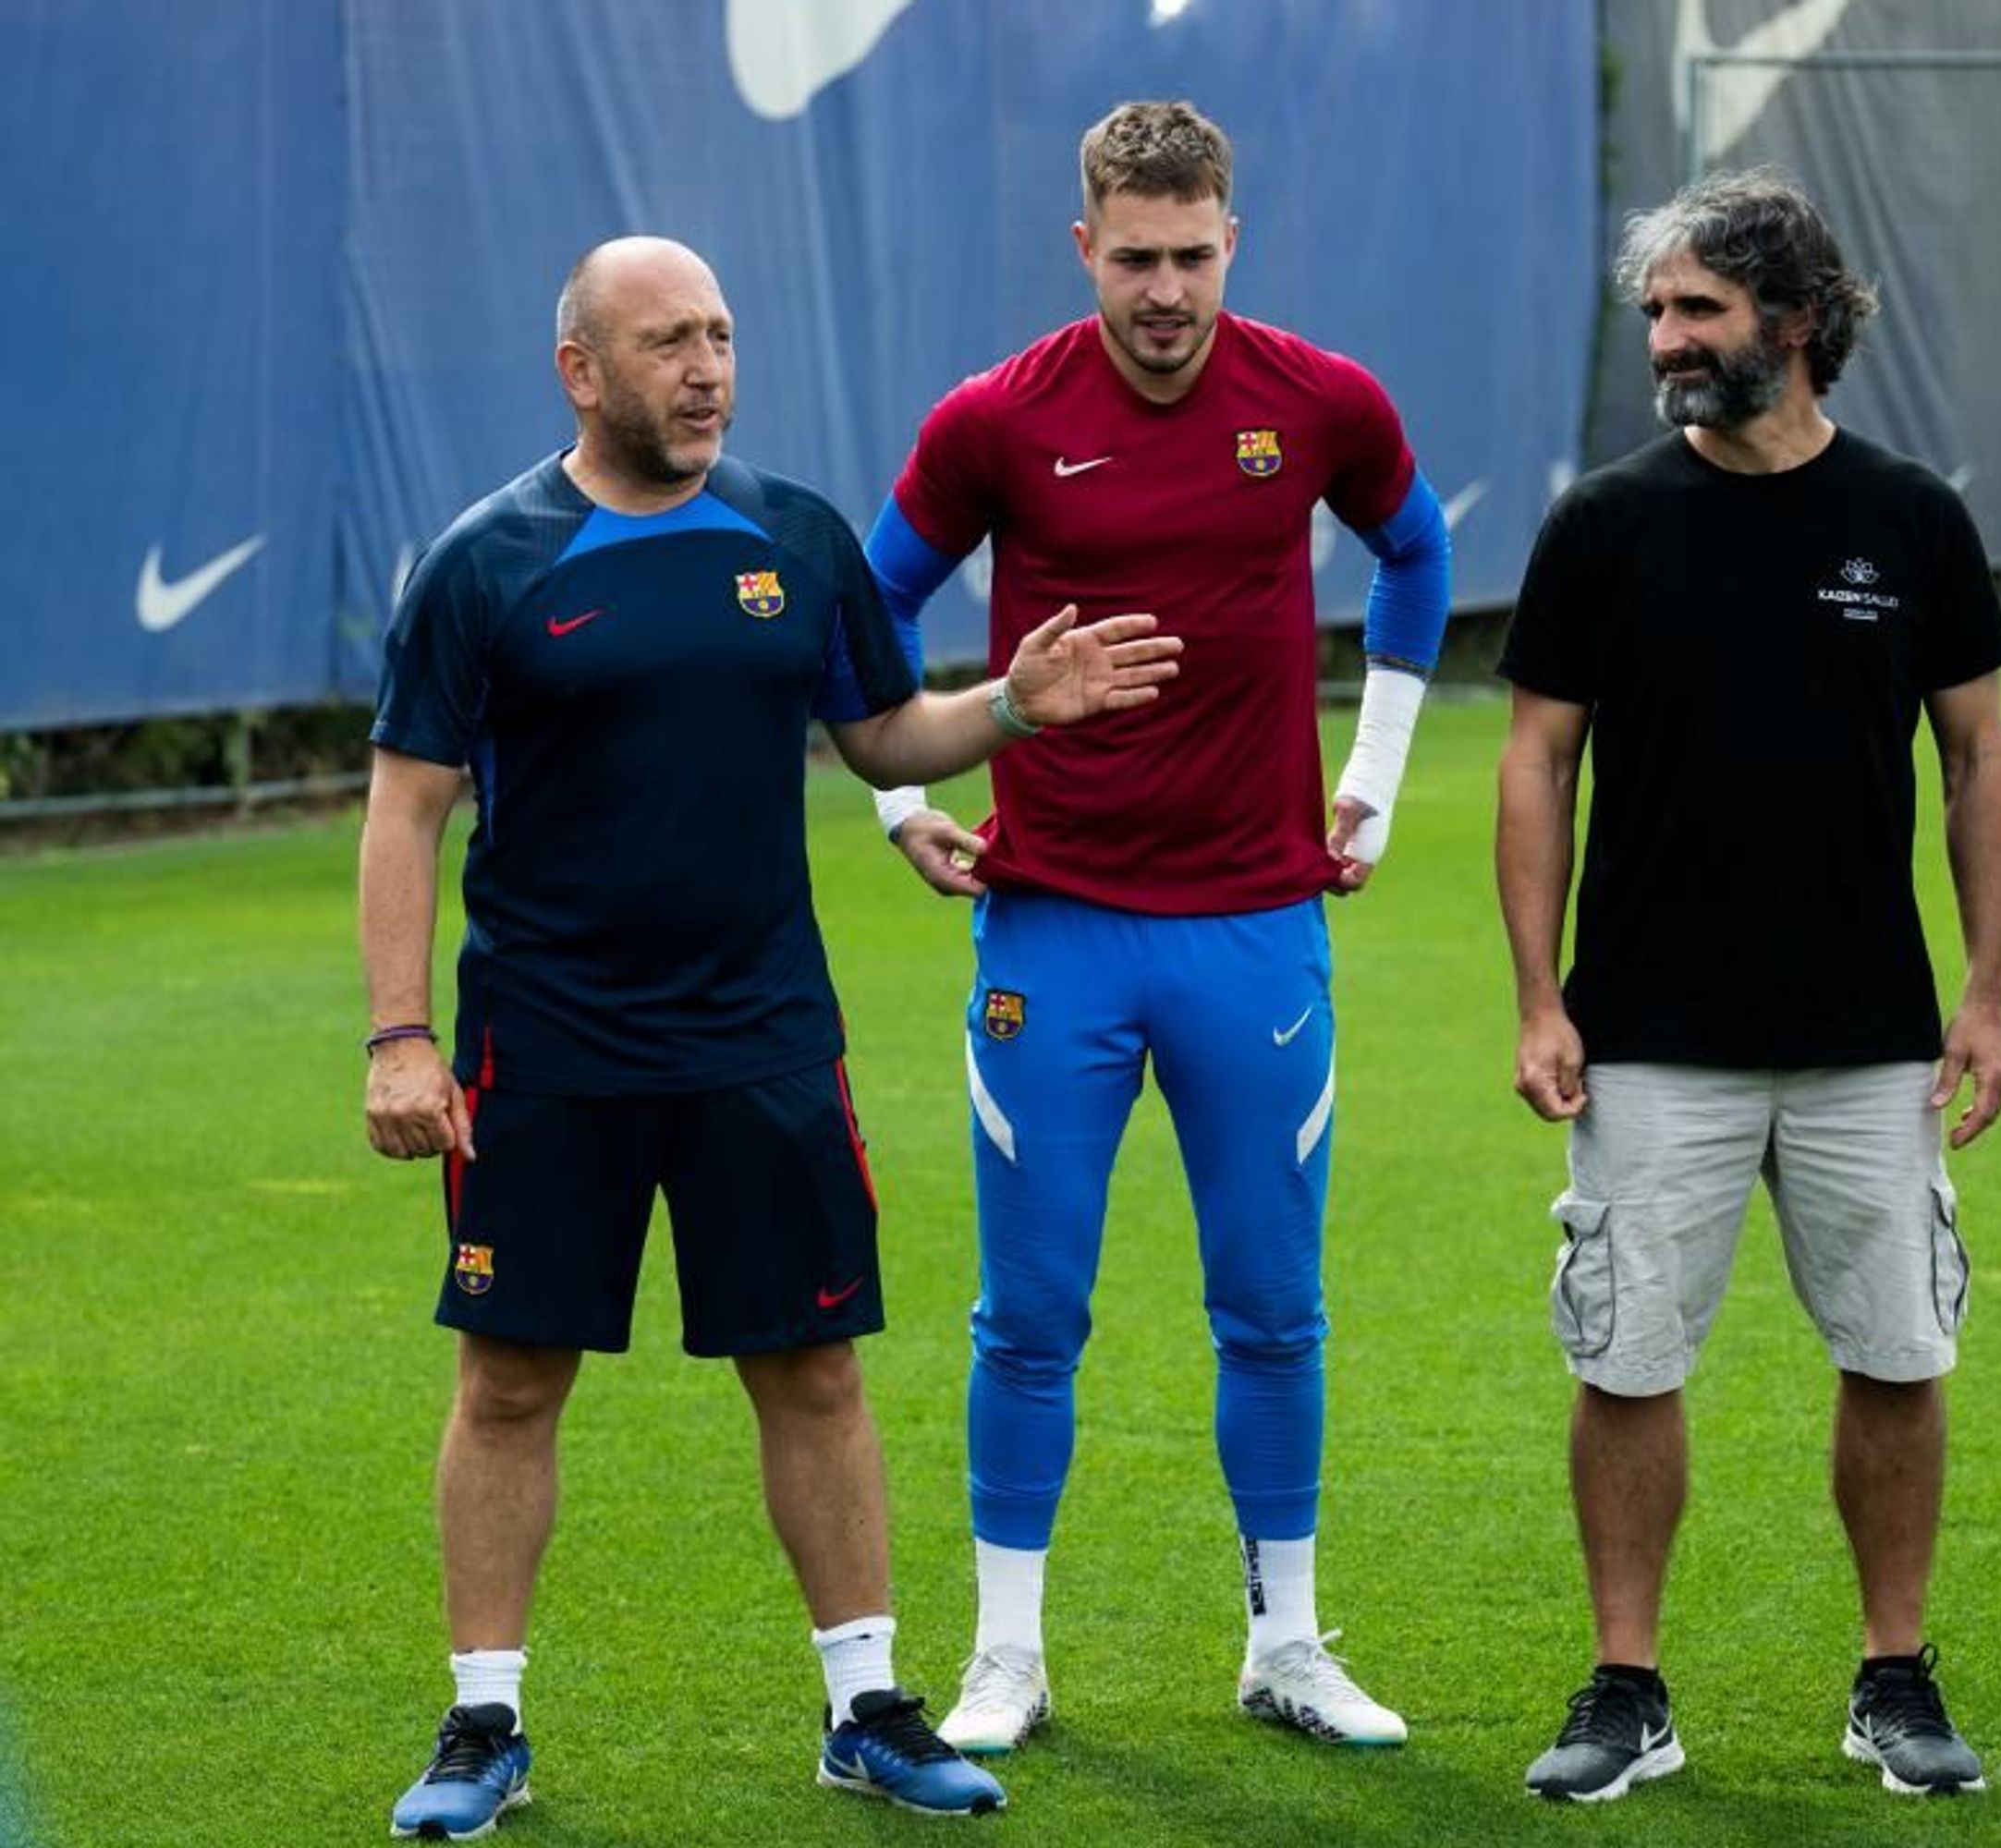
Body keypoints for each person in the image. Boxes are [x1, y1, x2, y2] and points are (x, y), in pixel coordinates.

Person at [359, 235, 1178, 1837]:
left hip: (764, 1039)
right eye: (668, 342)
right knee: (510, 1380)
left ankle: (866, 1708)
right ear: (580, 371)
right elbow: (407, 809)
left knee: (811, 1368)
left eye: (721, 337)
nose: (708, 370)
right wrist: (402, 1035)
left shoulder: (795, 538)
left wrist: (1014, 707)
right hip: (548, 1046)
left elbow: (881, 733)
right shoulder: (485, 562)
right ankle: (482, 1727)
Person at [859, 99, 1451, 1755]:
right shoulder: (997, 419)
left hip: (1255, 929)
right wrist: (901, 799)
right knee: (1028, 1315)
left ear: (1232, 241)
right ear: (1085, 248)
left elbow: (1416, 552)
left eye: (1194, 256)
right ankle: (1007, 1659)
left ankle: (1287, 1644)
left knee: (1273, 1308)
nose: (1167, 291)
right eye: (1136, 259)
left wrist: (1372, 777)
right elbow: (869, 604)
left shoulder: (1320, 401)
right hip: (1053, 930)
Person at [1495, 168, 2001, 1805]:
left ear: (1793, 321)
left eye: (1698, 309)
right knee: (1627, 1361)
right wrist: (1539, 998)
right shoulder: (1604, 523)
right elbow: (1537, 765)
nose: (1666, 338)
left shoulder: (1912, 517)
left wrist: (1987, 995)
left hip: (1871, 1037)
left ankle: (1894, 1677)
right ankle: (1626, 1689)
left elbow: (1980, 762)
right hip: (1651, 1035)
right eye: (1655, 310)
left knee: (1898, 1354)